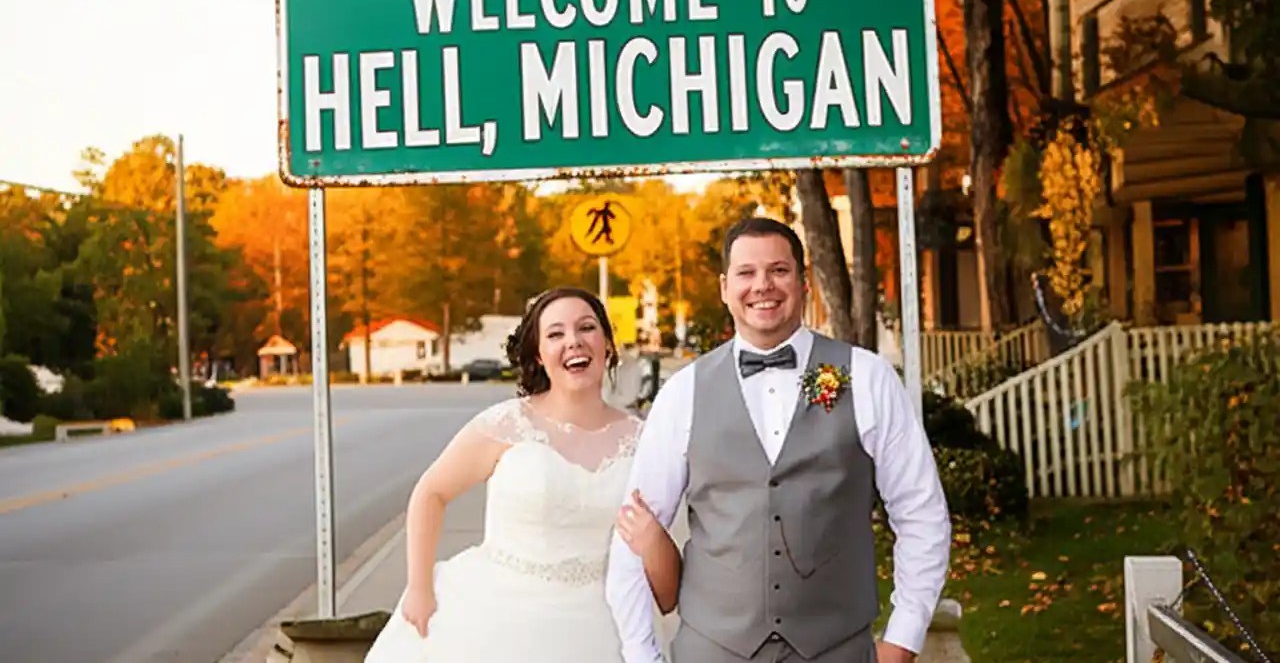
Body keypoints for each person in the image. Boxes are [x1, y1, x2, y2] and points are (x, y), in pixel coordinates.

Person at [605, 217, 952, 662]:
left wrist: (903, 638)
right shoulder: (682, 392)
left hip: (838, 649)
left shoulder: (868, 377)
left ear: (804, 283)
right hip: (711, 650)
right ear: (724, 288)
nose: (762, 285)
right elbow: (634, 530)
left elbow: (921, 513)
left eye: (779, 270)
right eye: (746, 273)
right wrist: (641, 655)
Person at [364, 287, 677, 662]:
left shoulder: (643, 441)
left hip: (601, 631)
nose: (574, 342)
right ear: (539, 356)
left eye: (587, 328)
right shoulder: (507, 423)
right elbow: (431, 492)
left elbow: (666, 590)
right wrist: (419, 588)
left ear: (608, 345)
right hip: (493, 620)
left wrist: (653, 541)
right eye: (556, 334)